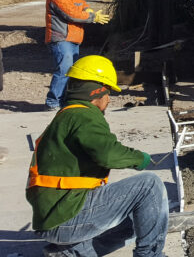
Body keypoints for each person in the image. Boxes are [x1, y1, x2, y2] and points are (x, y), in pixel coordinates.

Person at [26, 55, 168, 256]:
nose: (109, 99)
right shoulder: (84, 116)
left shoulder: (68, 114)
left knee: (139, 220)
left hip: (54, 218)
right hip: (65, 216)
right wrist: (140, 158)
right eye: (108, 92)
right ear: (96, 92)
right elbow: (108, 153)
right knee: (149, 185)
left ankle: (73, 252)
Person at [45, 0, 109, 110]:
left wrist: (88, 10)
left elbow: (82, 5)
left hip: (72, 38)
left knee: (70, 71)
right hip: (62, 38)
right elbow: (71, 14)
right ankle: (53, 102)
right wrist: (92, 17)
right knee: (64, 70)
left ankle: (62, 102)